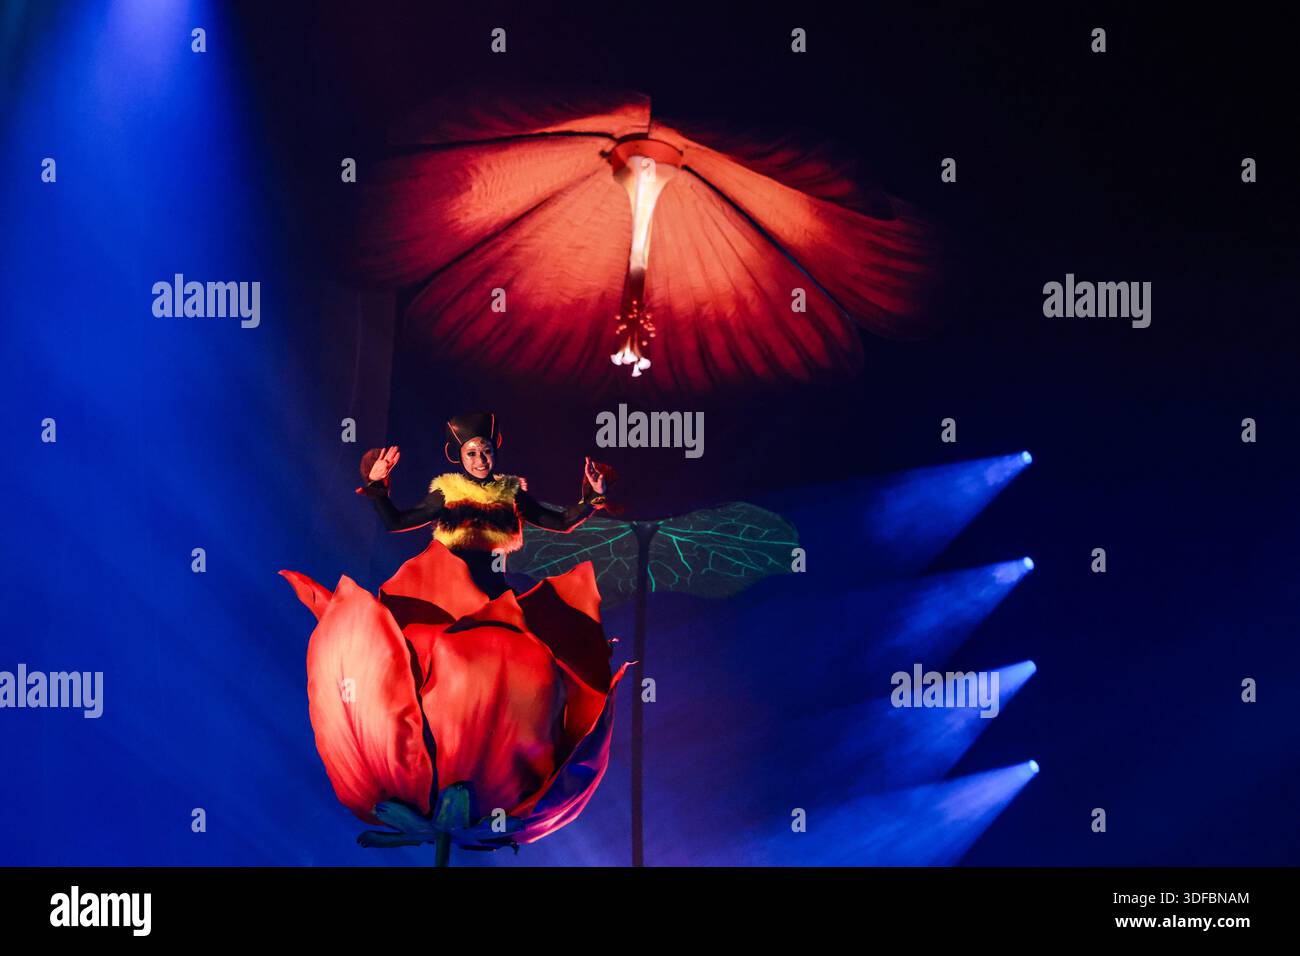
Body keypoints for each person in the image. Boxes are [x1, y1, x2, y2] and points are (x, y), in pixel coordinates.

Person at [357, 411, 607, 598]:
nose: (480, 460)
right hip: (451, 595)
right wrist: (377, 486)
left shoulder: (510, 492)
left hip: (494, 594)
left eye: (485, 451)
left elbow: (562, 523)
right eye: (471, 453)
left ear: (495, 450)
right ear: (459, 456)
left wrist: (593, 497)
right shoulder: (448, 491)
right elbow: (395, 522)